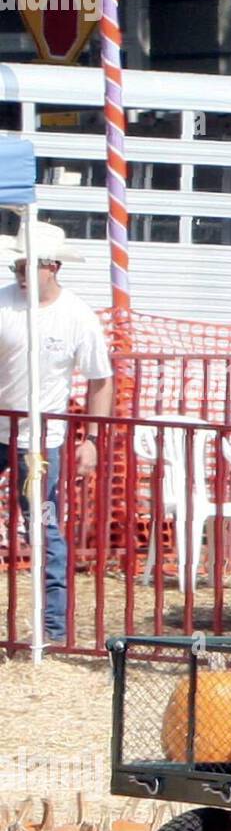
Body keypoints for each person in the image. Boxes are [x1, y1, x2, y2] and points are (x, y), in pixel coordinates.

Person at [0, 222, 113, 644]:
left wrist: (93, 440)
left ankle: (53, 629)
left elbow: (101, 379)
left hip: (42, 441)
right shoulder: (3, 304)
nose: (22, 275)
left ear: (53, 267)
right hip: (1, 430)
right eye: (17, 267)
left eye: (30, 266)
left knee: (43, 525)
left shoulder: (77, 316)